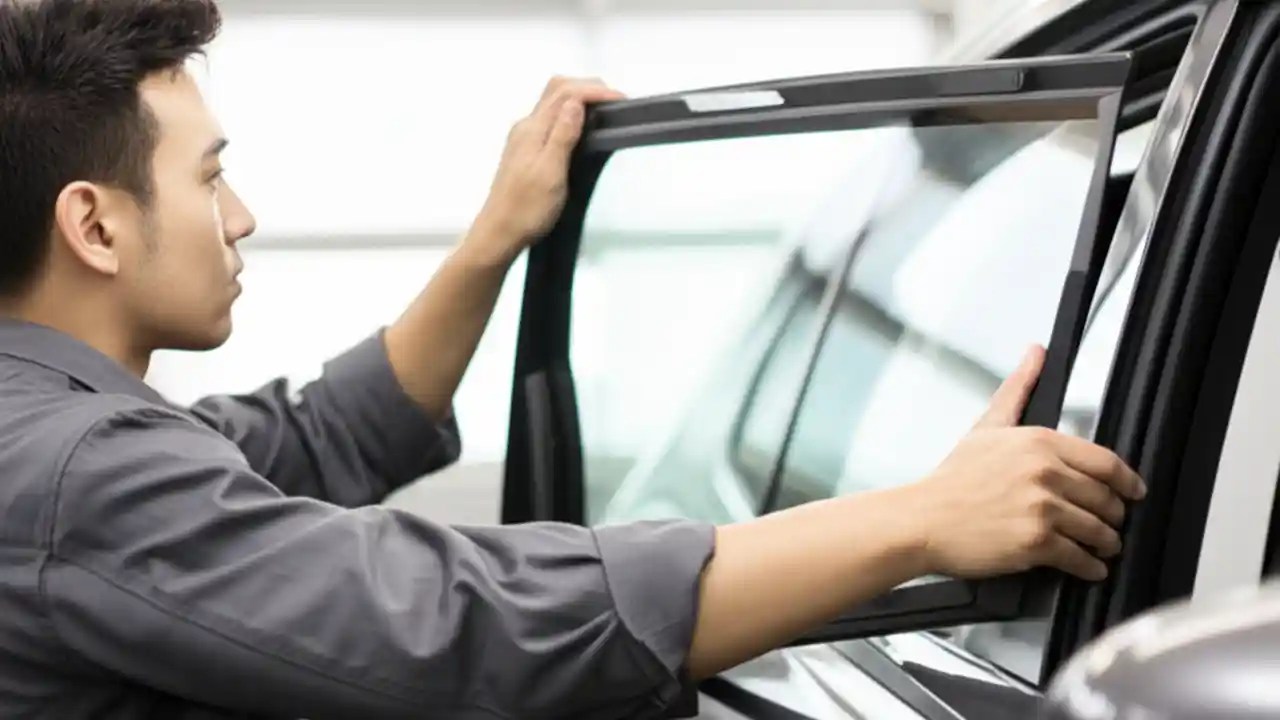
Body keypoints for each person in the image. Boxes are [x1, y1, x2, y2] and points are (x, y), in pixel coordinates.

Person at [0, 1, 1146, 718]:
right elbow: (457, 628)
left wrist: (494, 241)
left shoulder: (50, 428)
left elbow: (311, 441)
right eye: (209, 177)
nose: (240, 216)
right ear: (94, 225)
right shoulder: (77, 475)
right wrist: (919, 521)